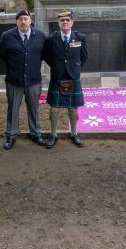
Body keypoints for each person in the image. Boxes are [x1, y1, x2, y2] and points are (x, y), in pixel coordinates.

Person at [0, 9, 47, 150]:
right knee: (13, 109)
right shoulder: (7, 36)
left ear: (31, 21)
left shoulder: (41, 36)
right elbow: (2, 54)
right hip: (14, 80)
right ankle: (11, 136)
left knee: (34, 108)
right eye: (20, 19)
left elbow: (43, 54)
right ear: (16, 22)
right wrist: (15, 65)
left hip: (33, 80)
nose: (23, 21)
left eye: (26, 19)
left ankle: (36, 134)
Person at [43, 11, 88, 148]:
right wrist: (57, 66)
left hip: (73, 76)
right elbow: (46, 55)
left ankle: (74, 134)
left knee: (73, 107)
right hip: (57, 76)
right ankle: (53, 135)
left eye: (67, 20)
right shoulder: (51, 39)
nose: (65, 22)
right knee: (54, 107)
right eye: (62, 20)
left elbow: (84, 56)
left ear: (72, 22)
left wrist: (74, 67)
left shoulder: (80, 37)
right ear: (58, 23)